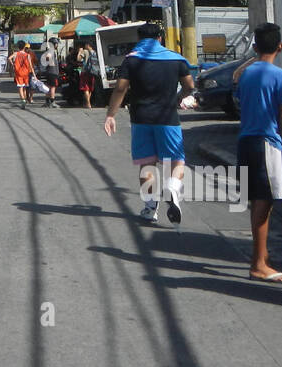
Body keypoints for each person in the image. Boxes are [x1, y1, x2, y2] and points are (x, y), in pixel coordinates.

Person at [103, 23, 197, 224]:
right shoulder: (176, 59)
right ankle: (172, 187)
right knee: (177, 160)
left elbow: (120, 89)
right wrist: (179, 96)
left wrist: (111, 115)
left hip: (141, 119)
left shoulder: (132, 60)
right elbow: (190, 86)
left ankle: (150, 208)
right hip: (168, 118)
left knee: (146, 163)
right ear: (160, 38)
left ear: (139, 38)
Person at [235, 23, 282, 282]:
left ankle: (261, 254)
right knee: (265, 202)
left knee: (257, 202)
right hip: (266, 142)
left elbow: (236, 81)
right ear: (280, 46)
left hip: (245, 141)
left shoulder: (245, 74)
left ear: (255, 46)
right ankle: (259, 263)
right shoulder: (279, 75)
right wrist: (281, 141)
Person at [9, 40, 36, 108]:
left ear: (18, 47)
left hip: (18, 73)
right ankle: (25, 99)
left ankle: (23, 100)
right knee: (24, 87)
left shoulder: (16, 53)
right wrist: (34, 75)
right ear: (24, 47)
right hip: (26, 73)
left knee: (20, 87)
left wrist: (13, 64)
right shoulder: (27, 55)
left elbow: (9, 58)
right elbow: (31, 66)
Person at [39, 37, 61, 108]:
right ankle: (52, 102)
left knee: (48, 87)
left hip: (49, 72)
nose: (57, 45)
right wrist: (51, 63)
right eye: (56, 44)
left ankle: (47, 102)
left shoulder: (50, 51)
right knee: (52, 87)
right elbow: (47, 57)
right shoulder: (51, 51)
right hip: (52, 72)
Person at [77, 40, 98, 109]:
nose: (85, 46)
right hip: (93, 72)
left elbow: (78, 59)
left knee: (85, 88)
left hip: (85, 72)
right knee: (90, 88)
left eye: (85, 45)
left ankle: (88, 104)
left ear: (88, 45)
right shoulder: (95, 52)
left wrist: (80, 51)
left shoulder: (85, 51)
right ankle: (87, 103)